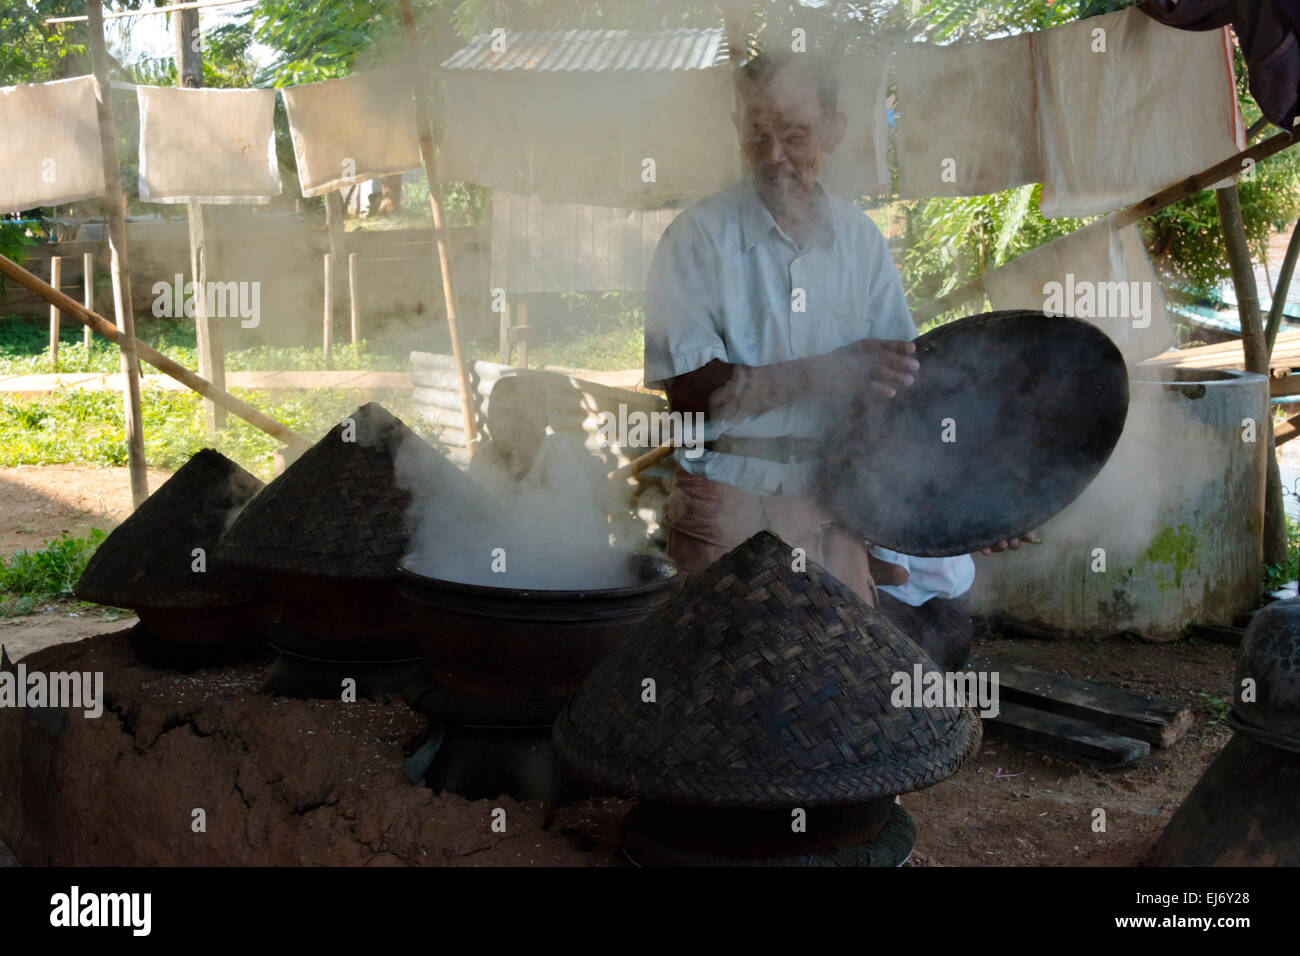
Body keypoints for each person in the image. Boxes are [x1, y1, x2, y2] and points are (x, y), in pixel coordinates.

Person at [644, 49, 1019, 667]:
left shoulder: (861, 242)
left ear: (835, 132)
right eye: (756, 134)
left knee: (835, 686)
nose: (772, 156)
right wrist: (825, 372)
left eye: (794, 136)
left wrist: (977, 503)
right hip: (727, 503)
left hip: (832, 505)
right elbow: (688, 391)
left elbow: (902, 391)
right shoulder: (696, 238)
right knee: (719, 682)